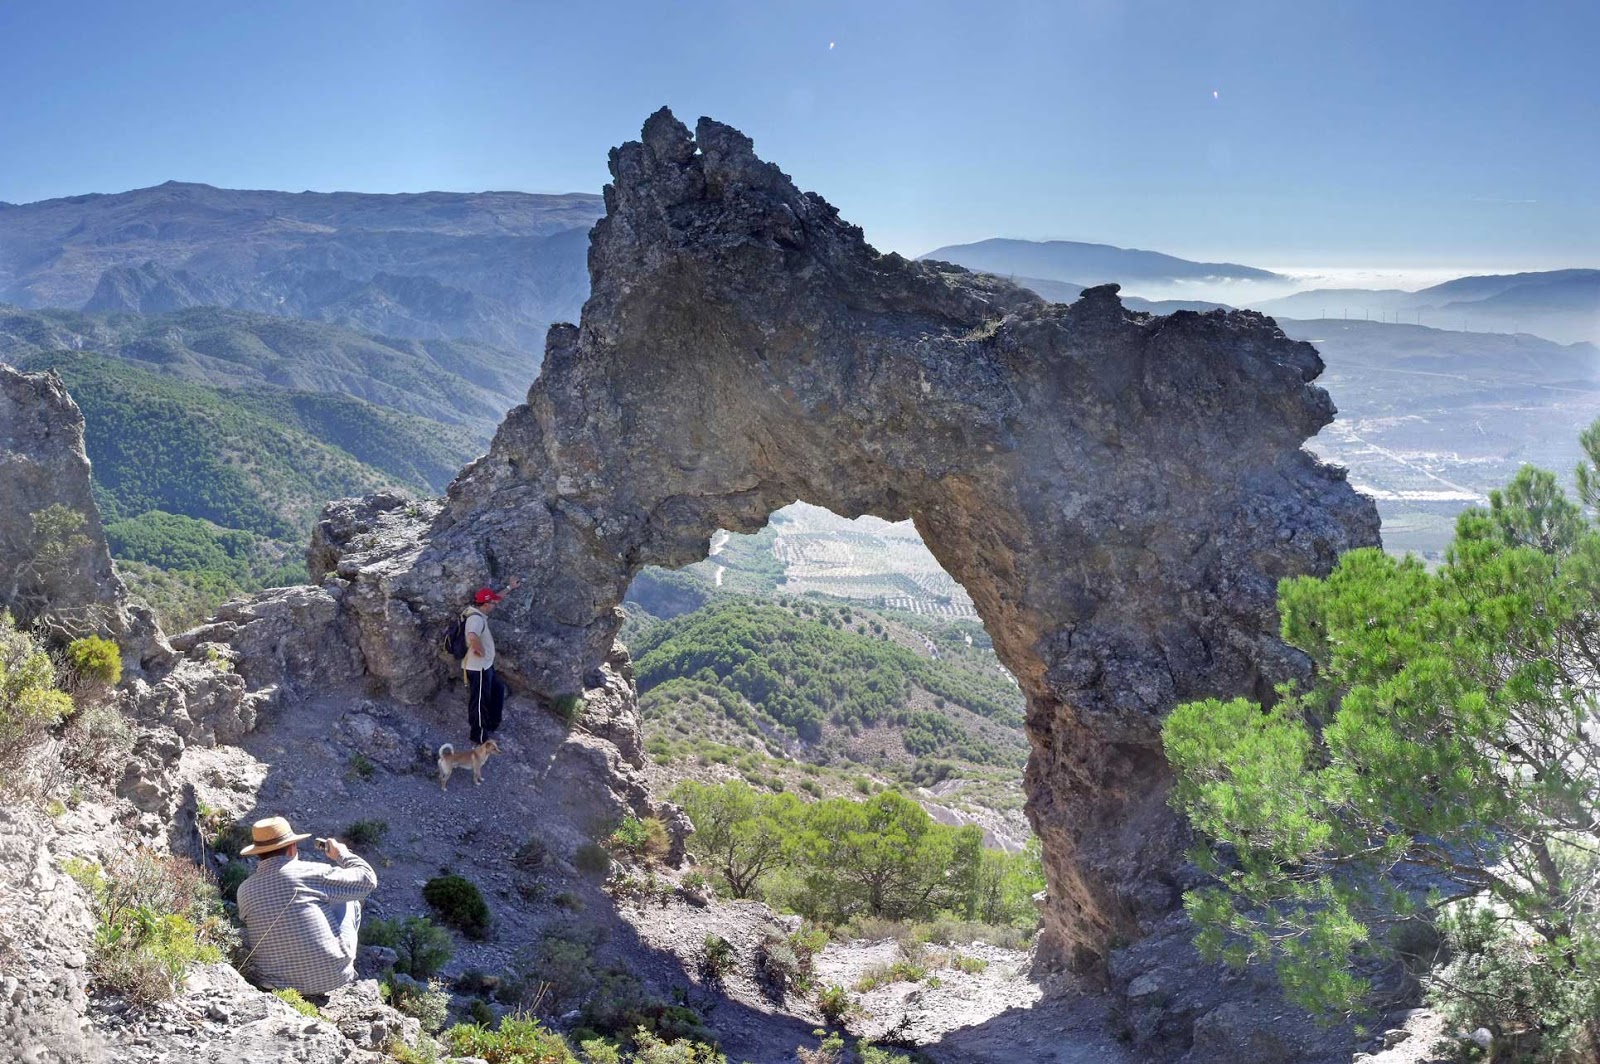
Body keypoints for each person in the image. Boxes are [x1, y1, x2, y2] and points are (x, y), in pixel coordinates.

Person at [235, 816, 377, 996]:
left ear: (258, 853)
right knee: (349, 899)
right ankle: (332, 962)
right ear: (292, 847)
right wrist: (342, 854)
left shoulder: (244, 889)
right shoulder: (309, 872)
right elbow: (367, 880)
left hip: (278, 986)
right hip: (334, 978)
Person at [463, 577, 519, 744]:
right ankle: (478, 736)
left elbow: (496, 598)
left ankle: (492, 724)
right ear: (486, 605)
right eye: (492, 604)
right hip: (478, 669)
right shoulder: (475, 619)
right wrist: (479, 650)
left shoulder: (479, 611)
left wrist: (509, 587)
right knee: (479, 703)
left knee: (498, 689)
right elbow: (472, 636)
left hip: (486, 666)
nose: (495, 605)